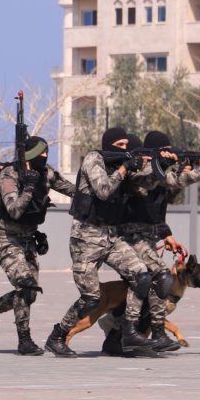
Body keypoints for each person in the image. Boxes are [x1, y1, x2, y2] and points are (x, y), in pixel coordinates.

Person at [45, 127, 156, 357]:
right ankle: (57, 335)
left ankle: (129, 329)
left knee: (142, 275)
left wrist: (157, 164)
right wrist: (125, 167)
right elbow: (103, 190)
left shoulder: (120, 166)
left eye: (128, 146)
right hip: (86, 237)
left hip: (110, 236)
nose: (126, 149)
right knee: (91, 298)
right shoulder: (93, 159)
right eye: (122, 146)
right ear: (111, 145)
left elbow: (146, 185)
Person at [116, 130, 200, 352]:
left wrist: (166, 235)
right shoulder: (142, 170)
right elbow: (168, 181)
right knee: (160, 276)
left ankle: (137, 334)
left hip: (148, 234)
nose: (169, 156)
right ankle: (148, 332)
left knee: (150, 282)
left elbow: (161, 202)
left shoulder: (158, 171)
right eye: (165, 151)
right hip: (130, 236)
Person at [0, 136, 76, 355]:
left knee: (30, 292)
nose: (44, 158)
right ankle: (24, 340)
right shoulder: (9, 175)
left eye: (46, 154)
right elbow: (14, 210)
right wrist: (29, 186)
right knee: (26, 284)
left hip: (27, 237)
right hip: (3, 236)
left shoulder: (47, 173)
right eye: (39, 154)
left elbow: (73, 190)